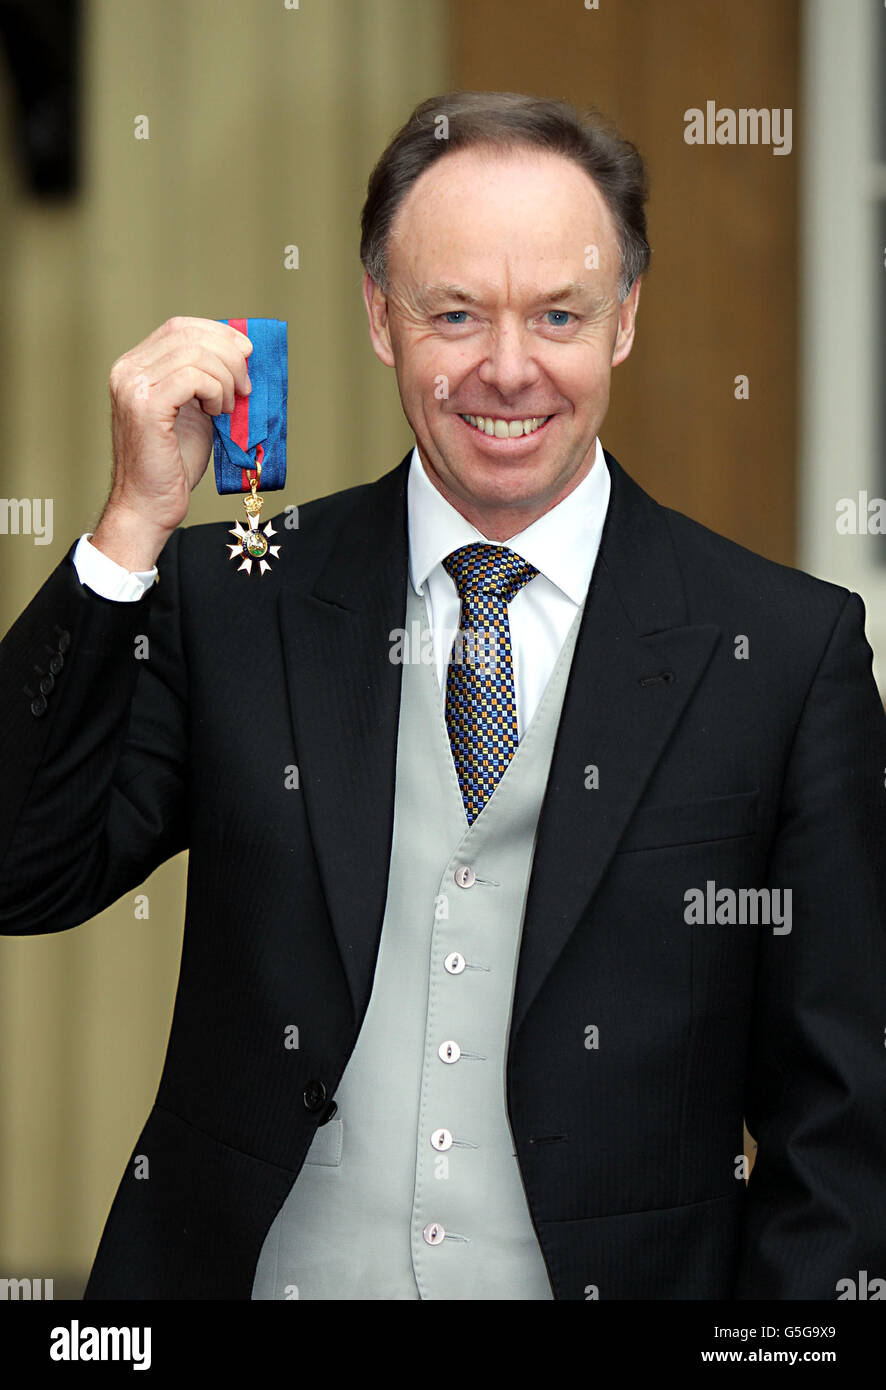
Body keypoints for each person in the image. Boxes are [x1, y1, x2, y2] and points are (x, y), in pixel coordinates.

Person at [1, 91, 884, 1301]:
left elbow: (836, 1118)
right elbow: (19, 868)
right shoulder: (233, 596)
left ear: (625, 319)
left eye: (559, 315)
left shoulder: (784, 650)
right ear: (379, 315)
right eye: (455, 312)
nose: (507, 369)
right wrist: (130, 529)